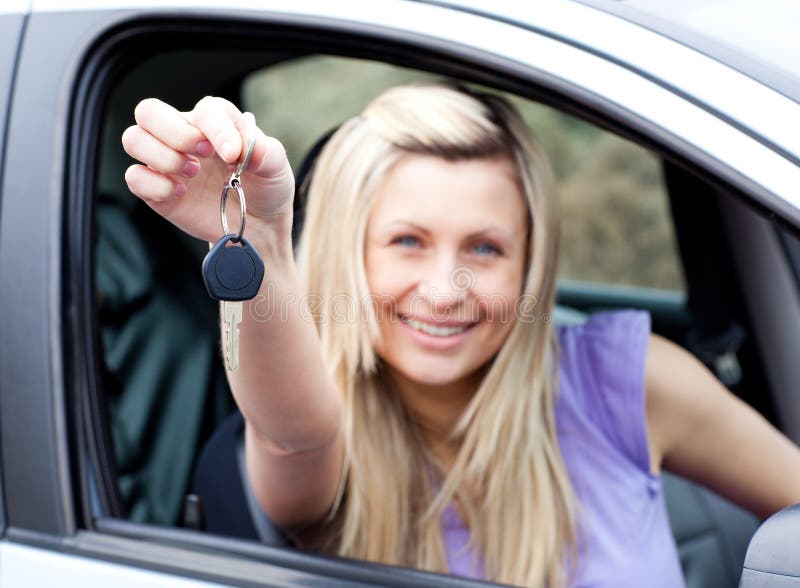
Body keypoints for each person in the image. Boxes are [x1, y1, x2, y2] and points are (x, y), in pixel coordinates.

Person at [122, 82, 800, 587]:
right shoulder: (321, 423)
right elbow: (287, 433)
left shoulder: (628, 380)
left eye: (484, 249)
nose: (445, 291)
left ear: (530, 263)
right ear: (349, 253)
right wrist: (261, 242)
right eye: (407, 241)